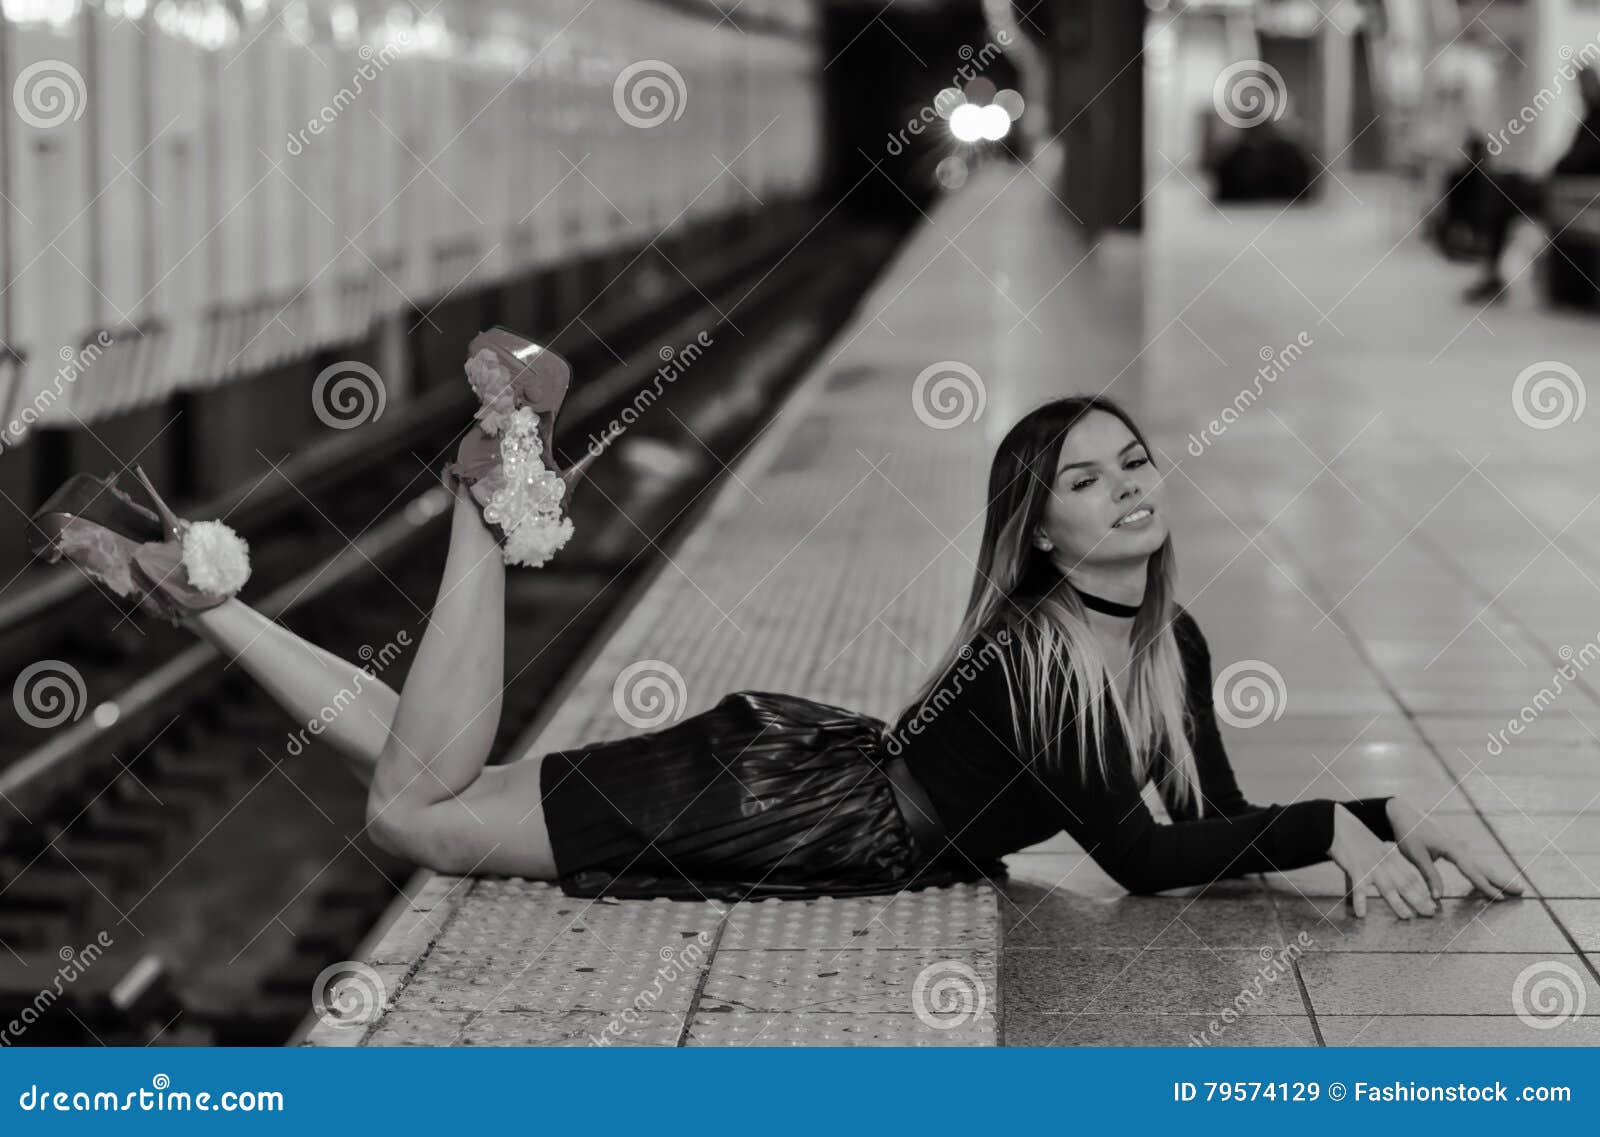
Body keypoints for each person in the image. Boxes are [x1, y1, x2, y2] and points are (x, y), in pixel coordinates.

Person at [28, 337, 1524, 918]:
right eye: (1085, 477)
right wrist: (1339, 826)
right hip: (798, 808)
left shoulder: (1163, 647)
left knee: (442, 788)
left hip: (797, 766)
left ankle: (205, 598)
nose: (1126, 488)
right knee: (418, 818)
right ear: (1040, 527)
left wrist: (1377, 814)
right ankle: (482, 518)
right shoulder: (1033, 657)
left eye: (1134, 462)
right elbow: (1140, 863)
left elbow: (1208, 816)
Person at [1460, 65, 1600, 303]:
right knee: (1503, 184)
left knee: (1503, 191)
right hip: (1563, 189)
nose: (1580, 92)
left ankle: (1489, 267)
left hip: (1571, 195)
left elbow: (1577, 162)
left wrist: (1553, 173)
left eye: (1582, 86)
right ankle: (1487, 261)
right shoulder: (1590, 118)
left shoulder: (1597, 119)